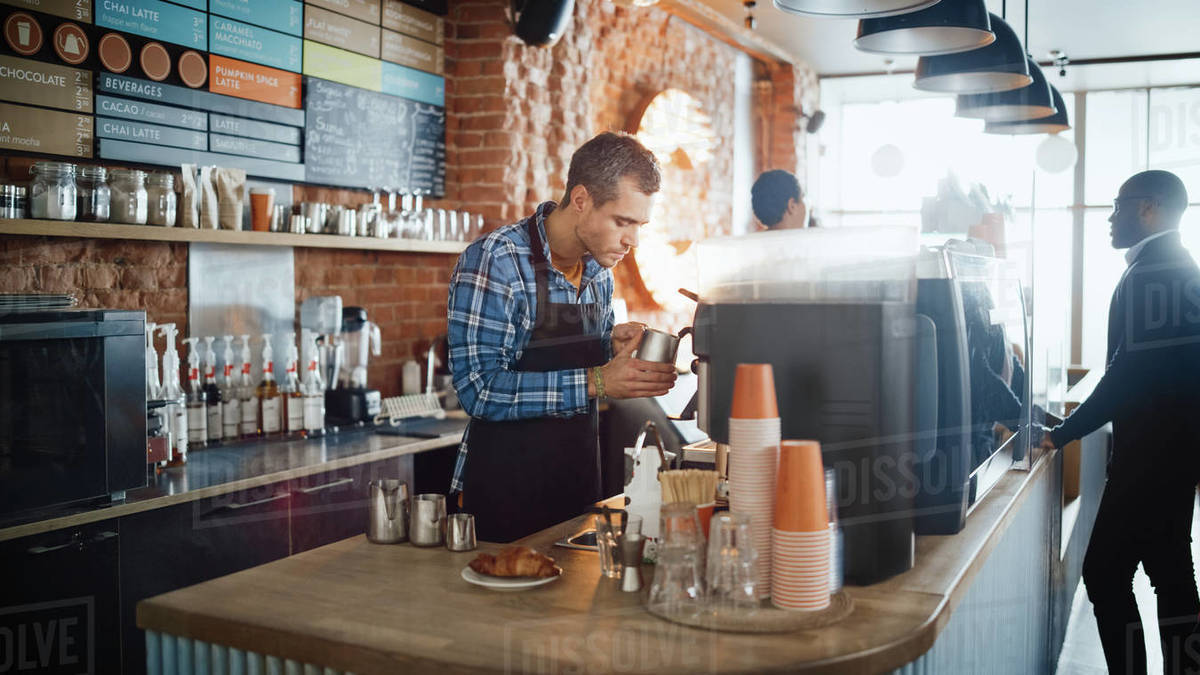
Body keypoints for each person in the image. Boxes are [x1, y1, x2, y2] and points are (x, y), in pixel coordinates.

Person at [446, 132, 677, 543]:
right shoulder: (496, 260)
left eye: (639, 225)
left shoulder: (598, 272)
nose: (632, 241)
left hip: (576, 493)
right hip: (503, 502)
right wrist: (599, 380)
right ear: (582, 199)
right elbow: (479, 390)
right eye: (622, 222)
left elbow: (573, 358)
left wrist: (611, 345)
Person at [1042, 170, 1200, 675]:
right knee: (1169, 570)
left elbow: (1127, 375)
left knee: (1107, 574)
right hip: (1171, 454)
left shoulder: (1158, 273)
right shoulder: (1172, 267)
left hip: (1152, 459)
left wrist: (1061, 433)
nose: (1110, 217)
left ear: (1149, 207)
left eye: (1118, 206)